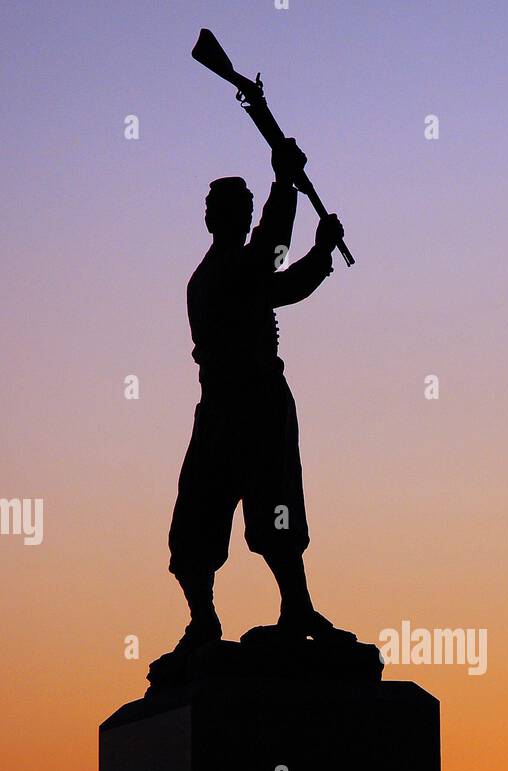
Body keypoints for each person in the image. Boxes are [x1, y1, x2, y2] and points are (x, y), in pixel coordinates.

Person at [168, 136, 352, 652]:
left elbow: (282, 284)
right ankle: (204, 619)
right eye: (234, 212)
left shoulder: (240, 271)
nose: (243, 220)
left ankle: (295, 605)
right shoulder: (217, 275)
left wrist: (319, 249)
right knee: (199, 519)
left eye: (246, 211)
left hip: (259, 406)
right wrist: (284, 181)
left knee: (276, 510)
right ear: (214, 219)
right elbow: (272, 255)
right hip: (230, 409)